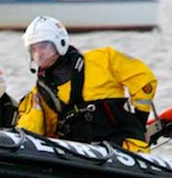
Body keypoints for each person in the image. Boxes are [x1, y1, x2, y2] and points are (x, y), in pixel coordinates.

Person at [15, 16, 158, 152]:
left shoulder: (104, 59)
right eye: (33, 49)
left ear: (60, 42)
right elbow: (29, 132)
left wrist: (141, 118)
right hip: (78, 154)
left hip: (125, 146)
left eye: (43, 46)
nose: (38, 54)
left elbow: (143, 78)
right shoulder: (39, 95)